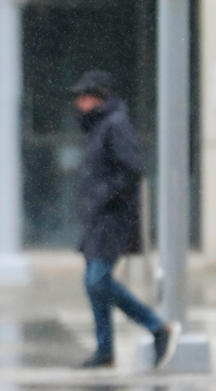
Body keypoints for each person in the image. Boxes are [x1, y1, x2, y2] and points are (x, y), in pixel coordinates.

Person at [70, 70, 180, 369]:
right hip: (98, 216)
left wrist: (105, 197)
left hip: (113, 217)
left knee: (98, 281)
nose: (79, 103)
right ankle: (105, 350)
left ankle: (157, 326)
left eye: (84, 96)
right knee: (94, 284)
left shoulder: (115, 125)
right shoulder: (99, 127)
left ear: (98, 97)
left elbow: (132, 170)